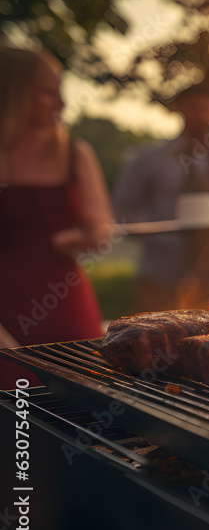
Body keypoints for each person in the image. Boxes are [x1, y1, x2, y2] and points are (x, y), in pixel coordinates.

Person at [0, 46, 111, 354]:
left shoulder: (76, 154)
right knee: (14, 398)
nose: (61, 102)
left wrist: (63, 241)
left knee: (79, 391)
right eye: (48, 92)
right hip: (4, 309)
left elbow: (100, 231)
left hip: (62, 299)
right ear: (12, 93)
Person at [114, 84, 209, 311]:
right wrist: (160, 235)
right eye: (194, 108)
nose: (201, 115)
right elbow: (123, 210)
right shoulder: (149, 160)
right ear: (180, 110)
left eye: (207, 109)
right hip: (162, 278)